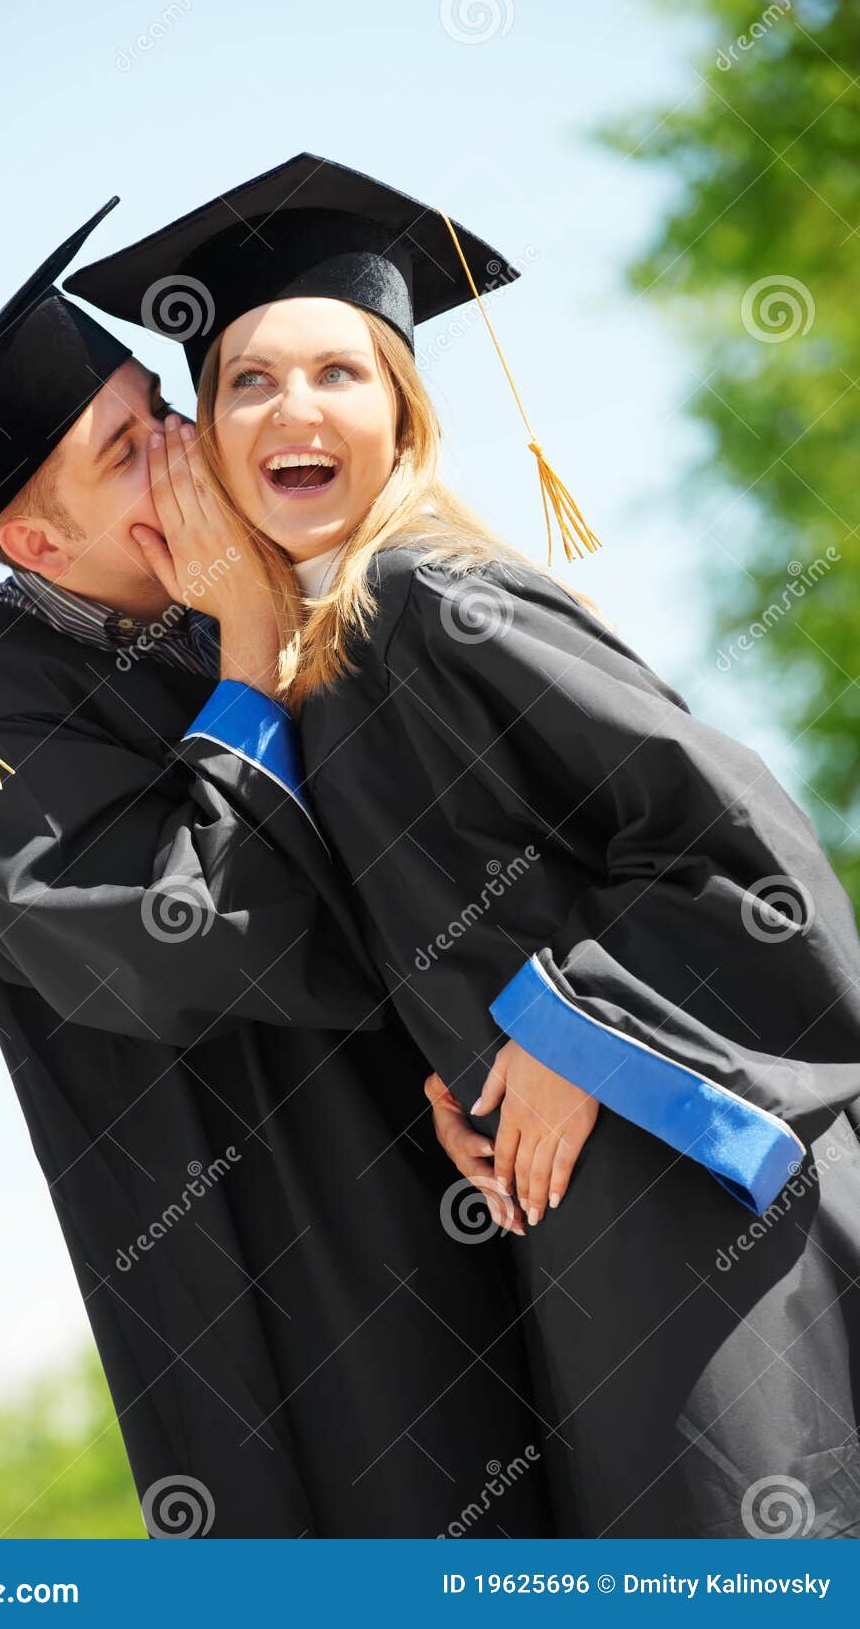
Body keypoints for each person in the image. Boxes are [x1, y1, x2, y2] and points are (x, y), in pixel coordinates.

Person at [69, 154, 860, 1538]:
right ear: (203, 434)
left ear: (402, 413)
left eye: (336, 373)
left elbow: (748, 853)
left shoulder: (430, 597)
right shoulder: (322, 659)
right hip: (590, 1209)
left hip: (709, 1191)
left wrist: (568, 1029)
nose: (291, 409)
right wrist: (463, 1062)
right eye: (247, 381)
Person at [0, 198, 552, 1539]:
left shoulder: (297, 577)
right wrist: (248, 651)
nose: (181, 446)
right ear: (37, 545)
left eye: (158, 407)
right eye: (127, 448)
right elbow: (183, 936)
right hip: (293, 1261)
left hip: (511, 1165)